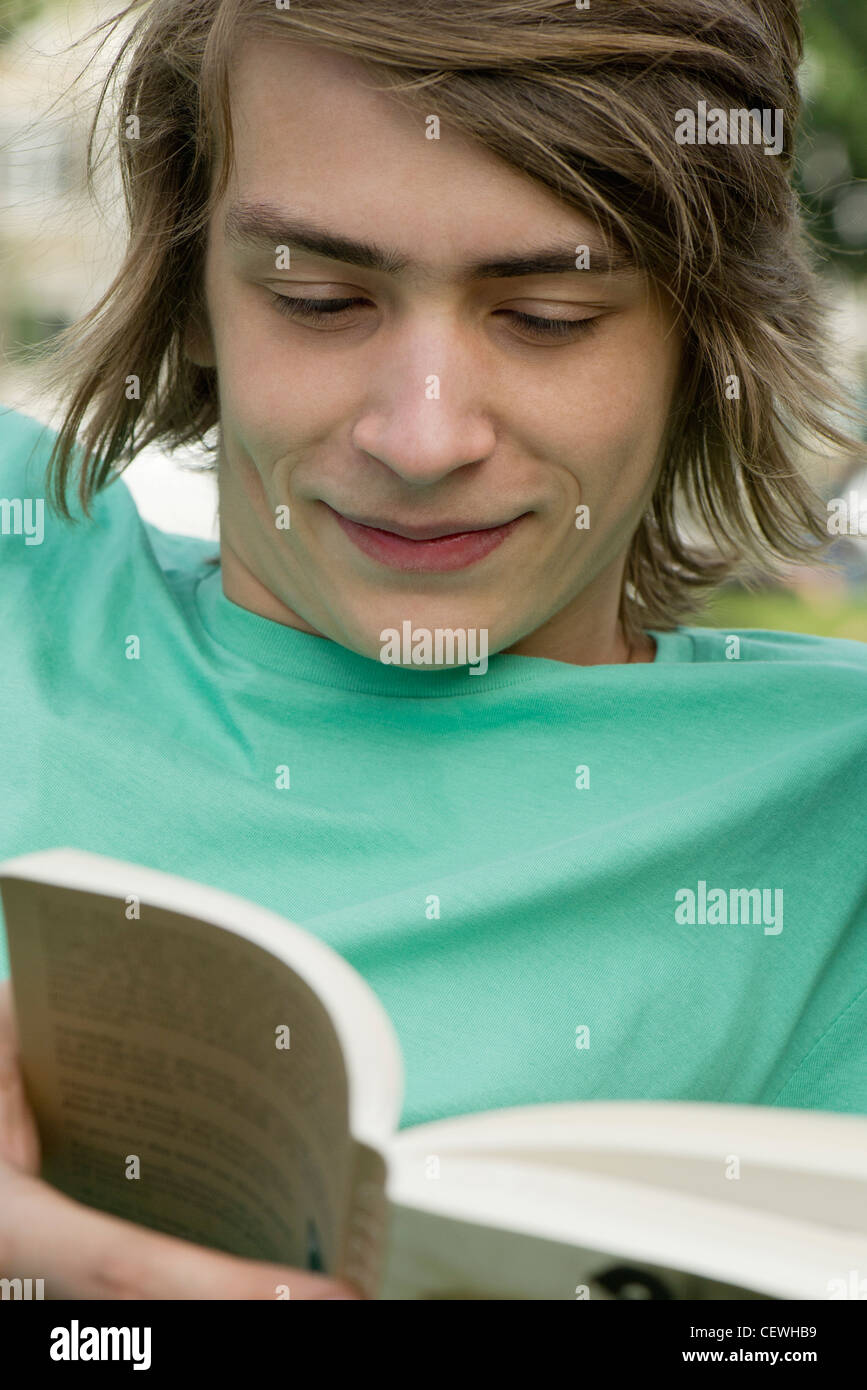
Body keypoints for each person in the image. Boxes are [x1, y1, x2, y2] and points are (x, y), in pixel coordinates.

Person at [0, 0, 864, 1300]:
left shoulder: (837, 799)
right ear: (190, 288)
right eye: (320, 298)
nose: (422, 438)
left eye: (551, 315)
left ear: (702, 336)